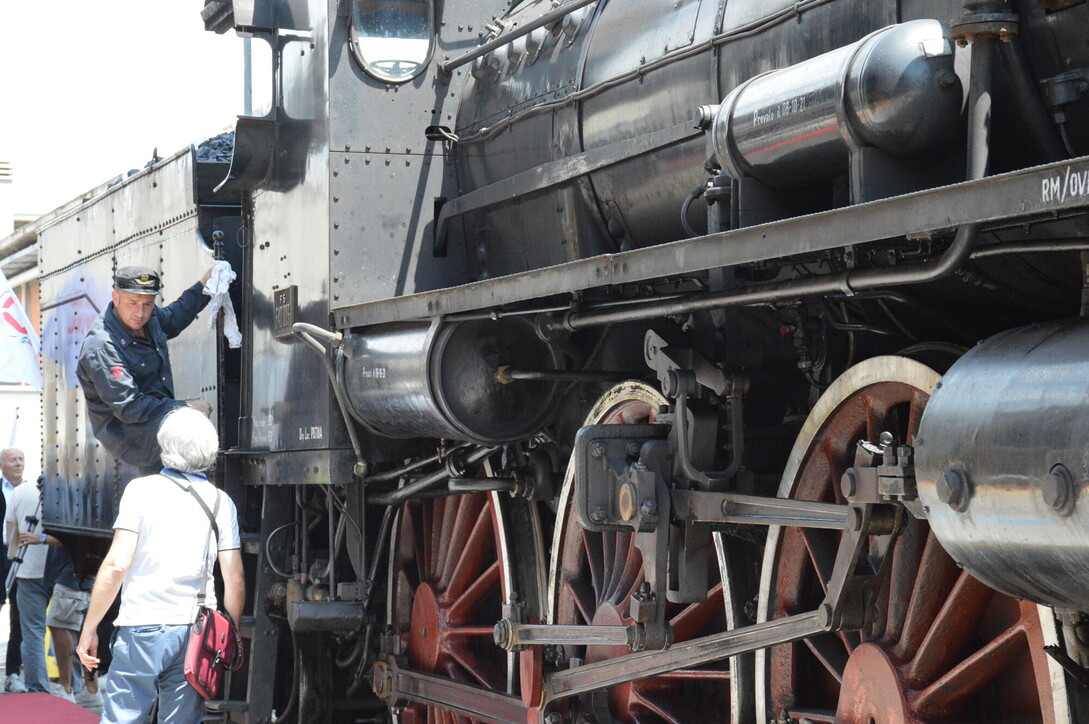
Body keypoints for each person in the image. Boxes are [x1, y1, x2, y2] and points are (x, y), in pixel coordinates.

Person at [76, 407, 245, 723]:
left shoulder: (140, 491)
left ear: (165, 445)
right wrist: (227, 637)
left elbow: (115, 566)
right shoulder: (221, 501)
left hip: (143, 625)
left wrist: (90, 628)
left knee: (123, 717)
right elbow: (234, 579)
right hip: (195, 629)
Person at [76, 266, 213, 473]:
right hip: (129, 432)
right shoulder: (102, 346)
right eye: (133, 303)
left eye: (147, 305)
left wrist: (206, 285)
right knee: (191, 431)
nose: (140, 313)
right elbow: (129, 407)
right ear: (116, 298)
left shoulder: (150, 319)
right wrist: (186, 407)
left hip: (155, 413)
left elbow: (176, 316)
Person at [5, 473, 61, 694]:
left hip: (28, 570)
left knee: (32, 633)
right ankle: (74, 685)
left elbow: (11, 537)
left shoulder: (19, 492)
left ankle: (38, 688)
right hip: (60, 571)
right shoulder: (66, 490)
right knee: (68, 630)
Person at [0, 448, 24, 692]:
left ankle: (13, 674)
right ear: (2, 466)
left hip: (21, 560)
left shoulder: (33, 491)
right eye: (12, 460)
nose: (18, 464)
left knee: (19, 620)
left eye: (20, 459)